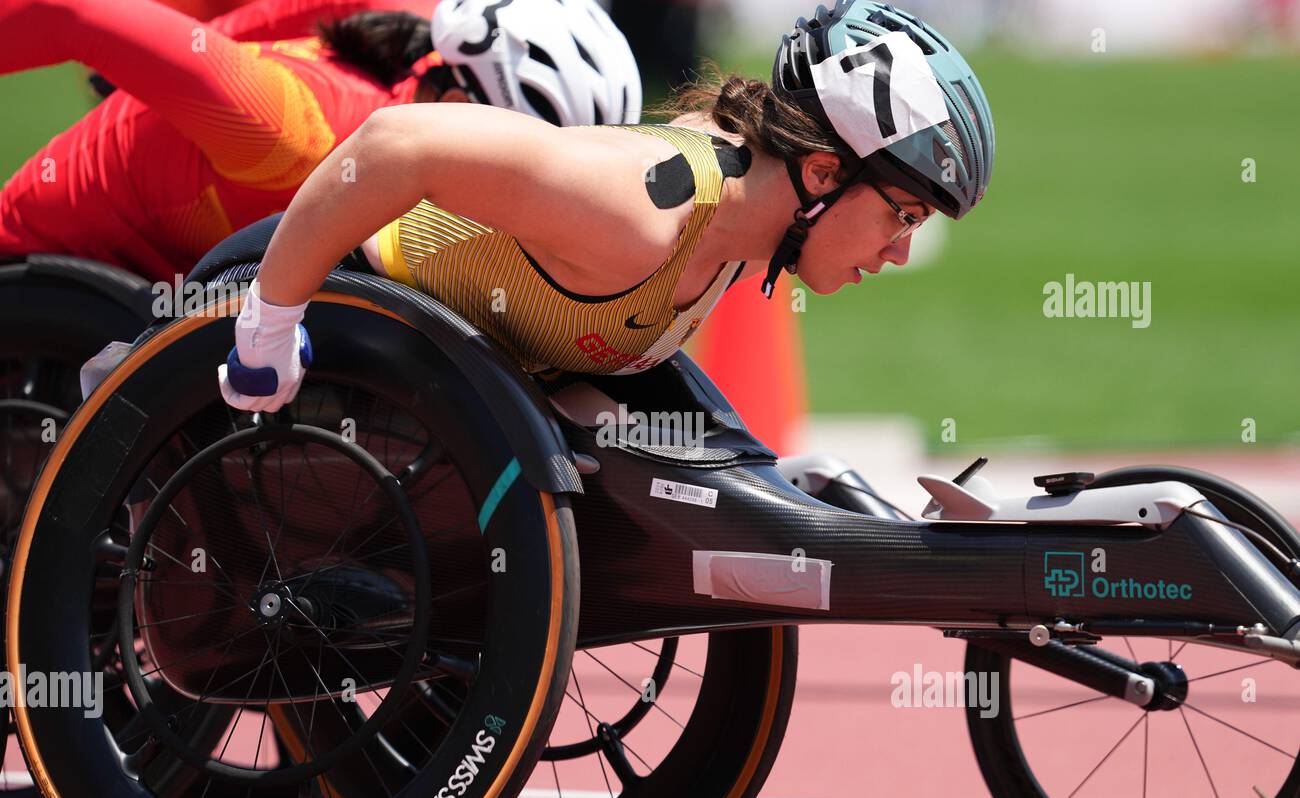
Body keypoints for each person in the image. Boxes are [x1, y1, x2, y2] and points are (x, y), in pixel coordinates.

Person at [217, 0, 994, 411]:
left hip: (404, 388)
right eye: (905, 213)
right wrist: (270, 324)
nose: (899, 252)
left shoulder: (744, 223)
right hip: (287, 311)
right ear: (823, 175)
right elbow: (395, 145)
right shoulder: (641, 210)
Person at [0, 0, 642, 280]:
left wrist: (209, 46)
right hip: (40, 266)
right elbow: (71, 13)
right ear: (451, 106)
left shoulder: (416, 64)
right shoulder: (288, 130)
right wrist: (161, 70)